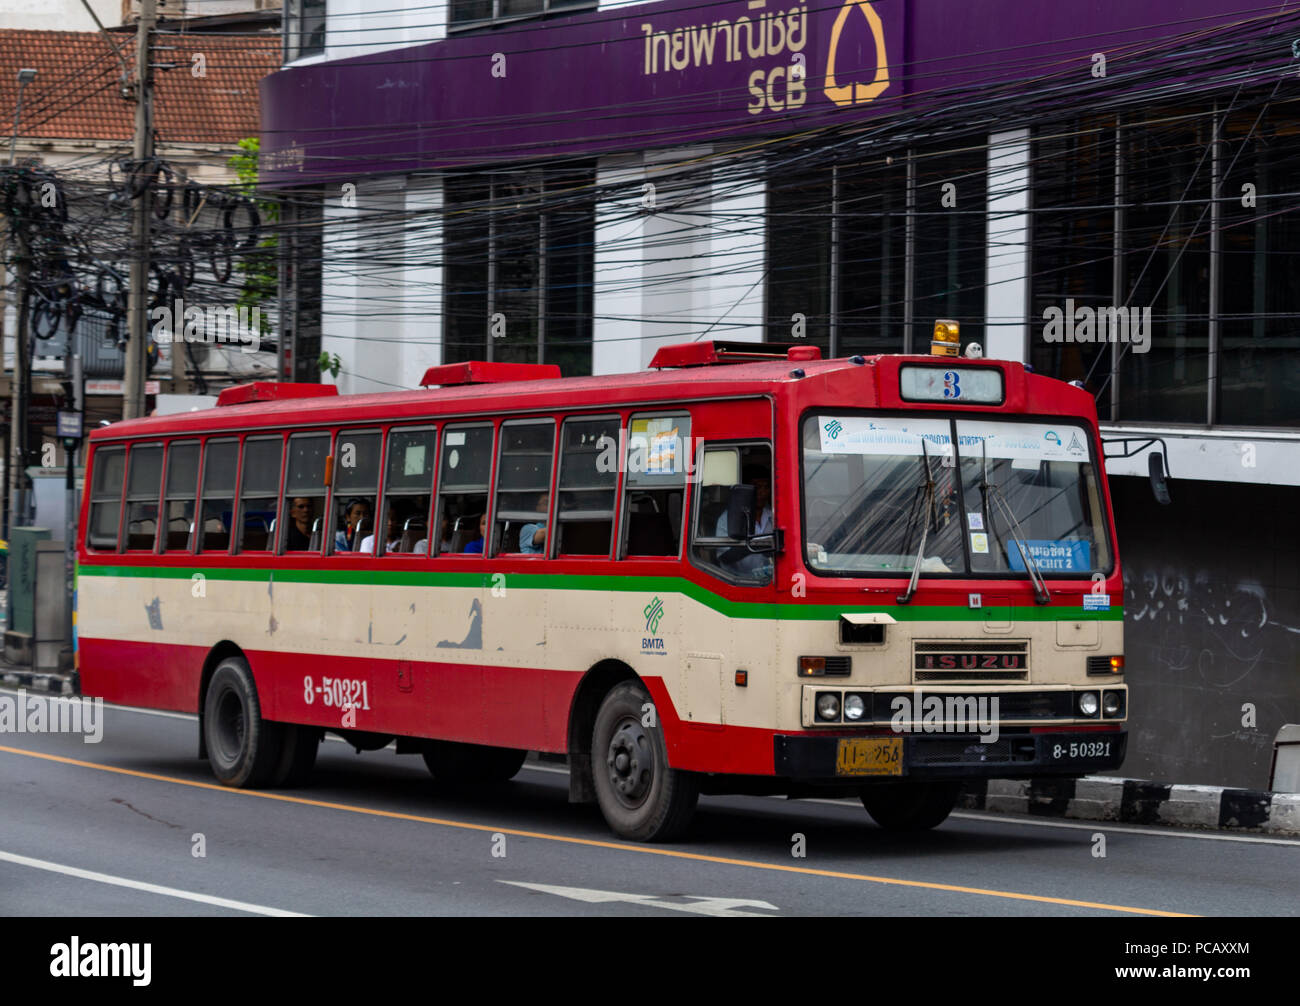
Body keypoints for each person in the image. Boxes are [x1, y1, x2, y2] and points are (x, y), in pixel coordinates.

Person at [713, 465, 773, 579]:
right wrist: (755, 546)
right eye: (757, 487)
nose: (762, 492)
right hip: (737, 580)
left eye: (766, 487)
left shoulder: (775, 516)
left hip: (767, 580)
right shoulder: (726, 519)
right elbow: (724, 557)